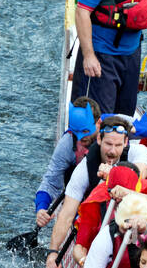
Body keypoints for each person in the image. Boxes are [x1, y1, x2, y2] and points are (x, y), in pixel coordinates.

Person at [44, 114, 147, 268]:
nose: (112, 151)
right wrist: (53, 252)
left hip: (132, 216)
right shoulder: (85, 167)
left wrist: (113, 174)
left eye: (118, 145)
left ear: (126, 142)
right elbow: (66, 214)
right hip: (101, 218)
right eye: (108, 144)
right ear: (99, 139)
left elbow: (139, 174)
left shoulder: (139, 151)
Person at [73, 161, 147, 263]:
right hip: (110, 261)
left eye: (122, 194)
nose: (118, 197)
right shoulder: (98, 198)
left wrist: (129, 193)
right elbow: (79, 247)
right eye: (115, 193)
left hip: (143, 258)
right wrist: (83, 262)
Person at [35, 97, 100, 226]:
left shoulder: (111, 134)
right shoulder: (67, 142)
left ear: (98, 123)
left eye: (85, 131)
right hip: (78, 193)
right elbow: (51, 182)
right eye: (76, 131)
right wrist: (41, 208)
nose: (80, 137)